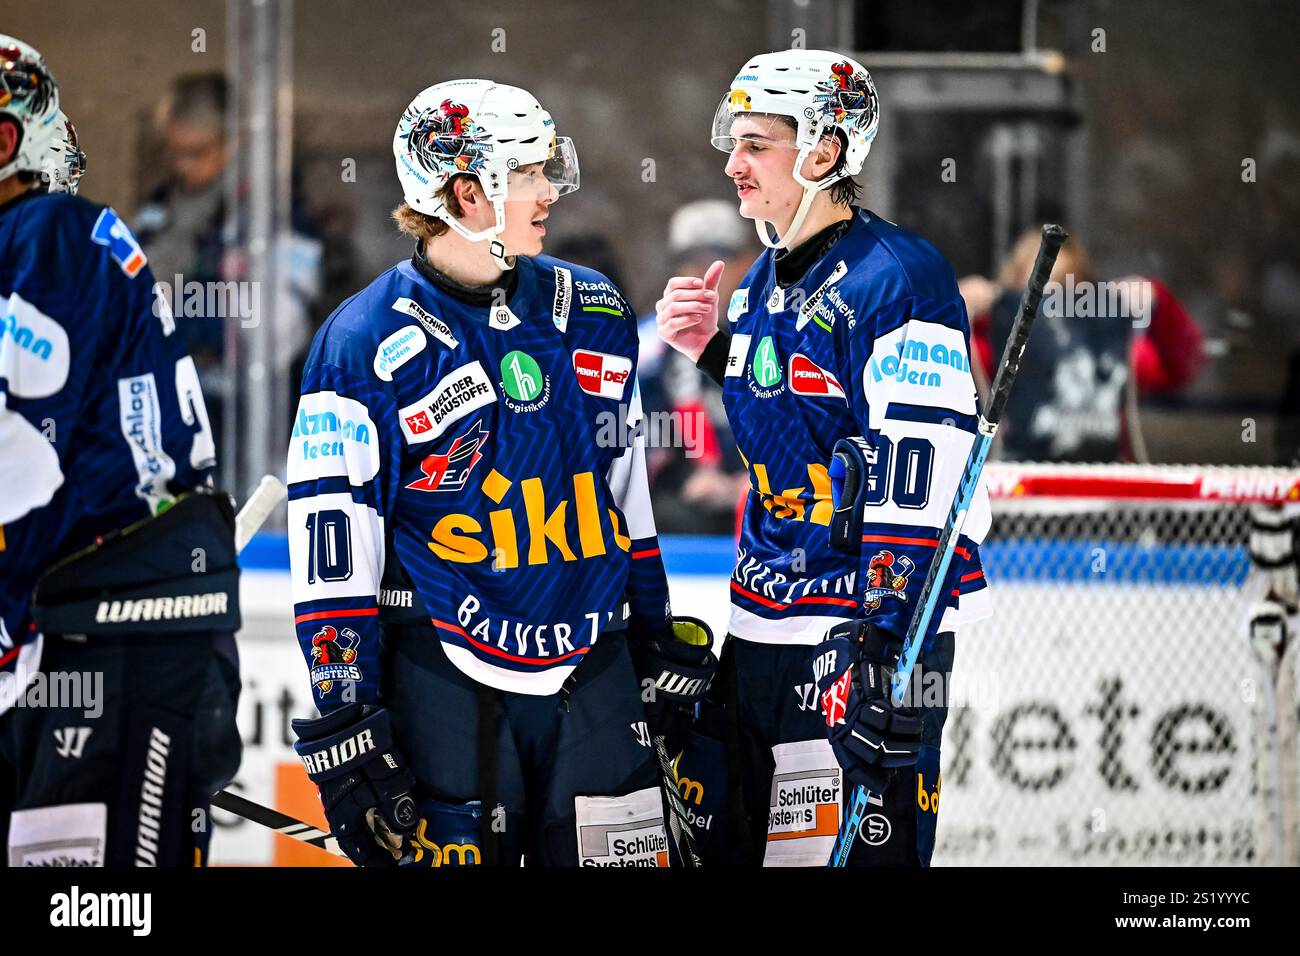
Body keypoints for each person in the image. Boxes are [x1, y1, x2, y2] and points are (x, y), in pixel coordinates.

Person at [287, 79, 714, 867]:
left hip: (594, 668)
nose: (550, 190)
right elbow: (332, 550)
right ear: (465, 191)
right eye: (527, 173)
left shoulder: (591, 308)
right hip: (441, 676)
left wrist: (653, 637)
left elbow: (626, 495)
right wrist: (348, 721)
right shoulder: (360, 343)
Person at [657, 50, 991, 866]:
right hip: (761, 617)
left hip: (855, 633)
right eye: (733, 142)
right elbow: (799, 413)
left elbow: (919, 476)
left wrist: (881, 645)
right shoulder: (763, 279)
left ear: (824, 151)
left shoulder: (899, 280)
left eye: (756, 144)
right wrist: (715, 349)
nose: (733, 165)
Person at [0, 36, 241, 867]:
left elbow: (23, 454)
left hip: (119, 647)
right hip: (78, 635)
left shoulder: (49, 233)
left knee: (98, 911)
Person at [961, 228, 1204, 462]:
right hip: (1024, 488)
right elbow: (945, 375)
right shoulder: (992, 351)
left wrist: (1156, 300)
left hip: (1097, 487)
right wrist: (957, 309)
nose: (1051, 309)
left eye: (1064, 293)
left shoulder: (1112, 352)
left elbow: (1184, 363)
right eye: (1038, 295)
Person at [638, 199, 755, 534]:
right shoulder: (651, 347)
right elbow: (638, 438)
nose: (702, 274)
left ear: (745, 263)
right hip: (692, 509)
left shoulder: (775, 332)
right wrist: (693, 476)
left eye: (716, 259)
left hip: (773, 496)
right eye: (690, 260)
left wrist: (762, 478)